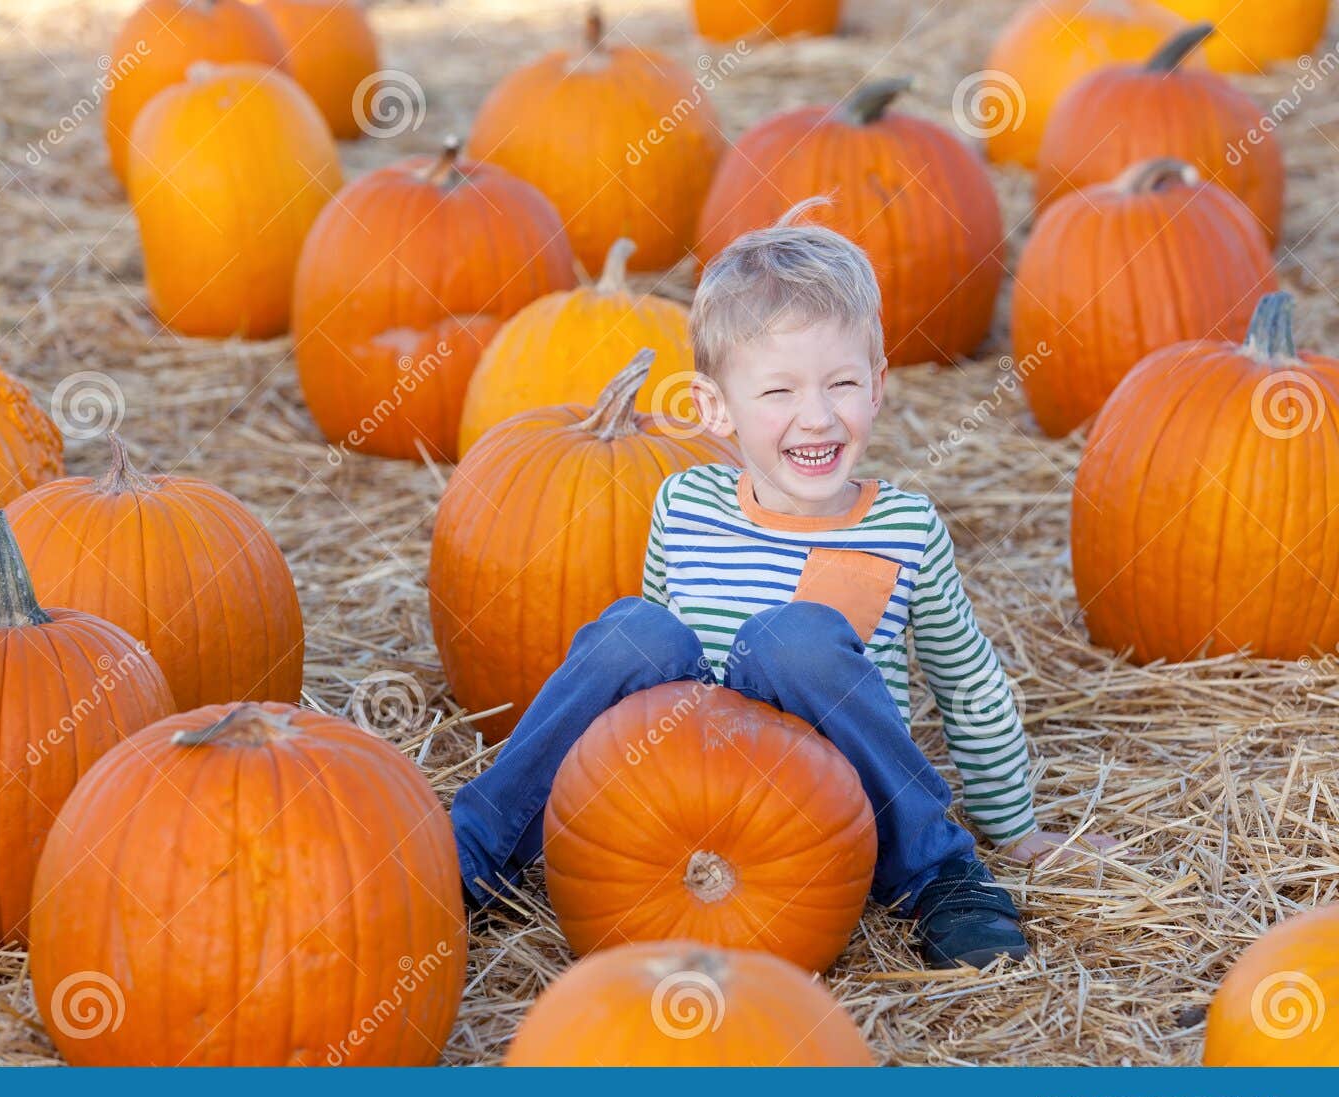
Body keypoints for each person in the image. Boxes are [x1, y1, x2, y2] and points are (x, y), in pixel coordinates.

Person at [451, 201, 1114, 968]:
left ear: (878, 386)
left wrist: (1016, 824)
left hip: (831, 811)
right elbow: (651, 684)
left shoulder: (905, 528)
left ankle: (939, 870)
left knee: (791, 641)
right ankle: (476, 849)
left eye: (841, 383)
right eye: (779, 393)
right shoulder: (684, 502)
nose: (817, 417)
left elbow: (967, 680)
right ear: (715, 409)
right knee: (637, 631)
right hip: (689, 808)